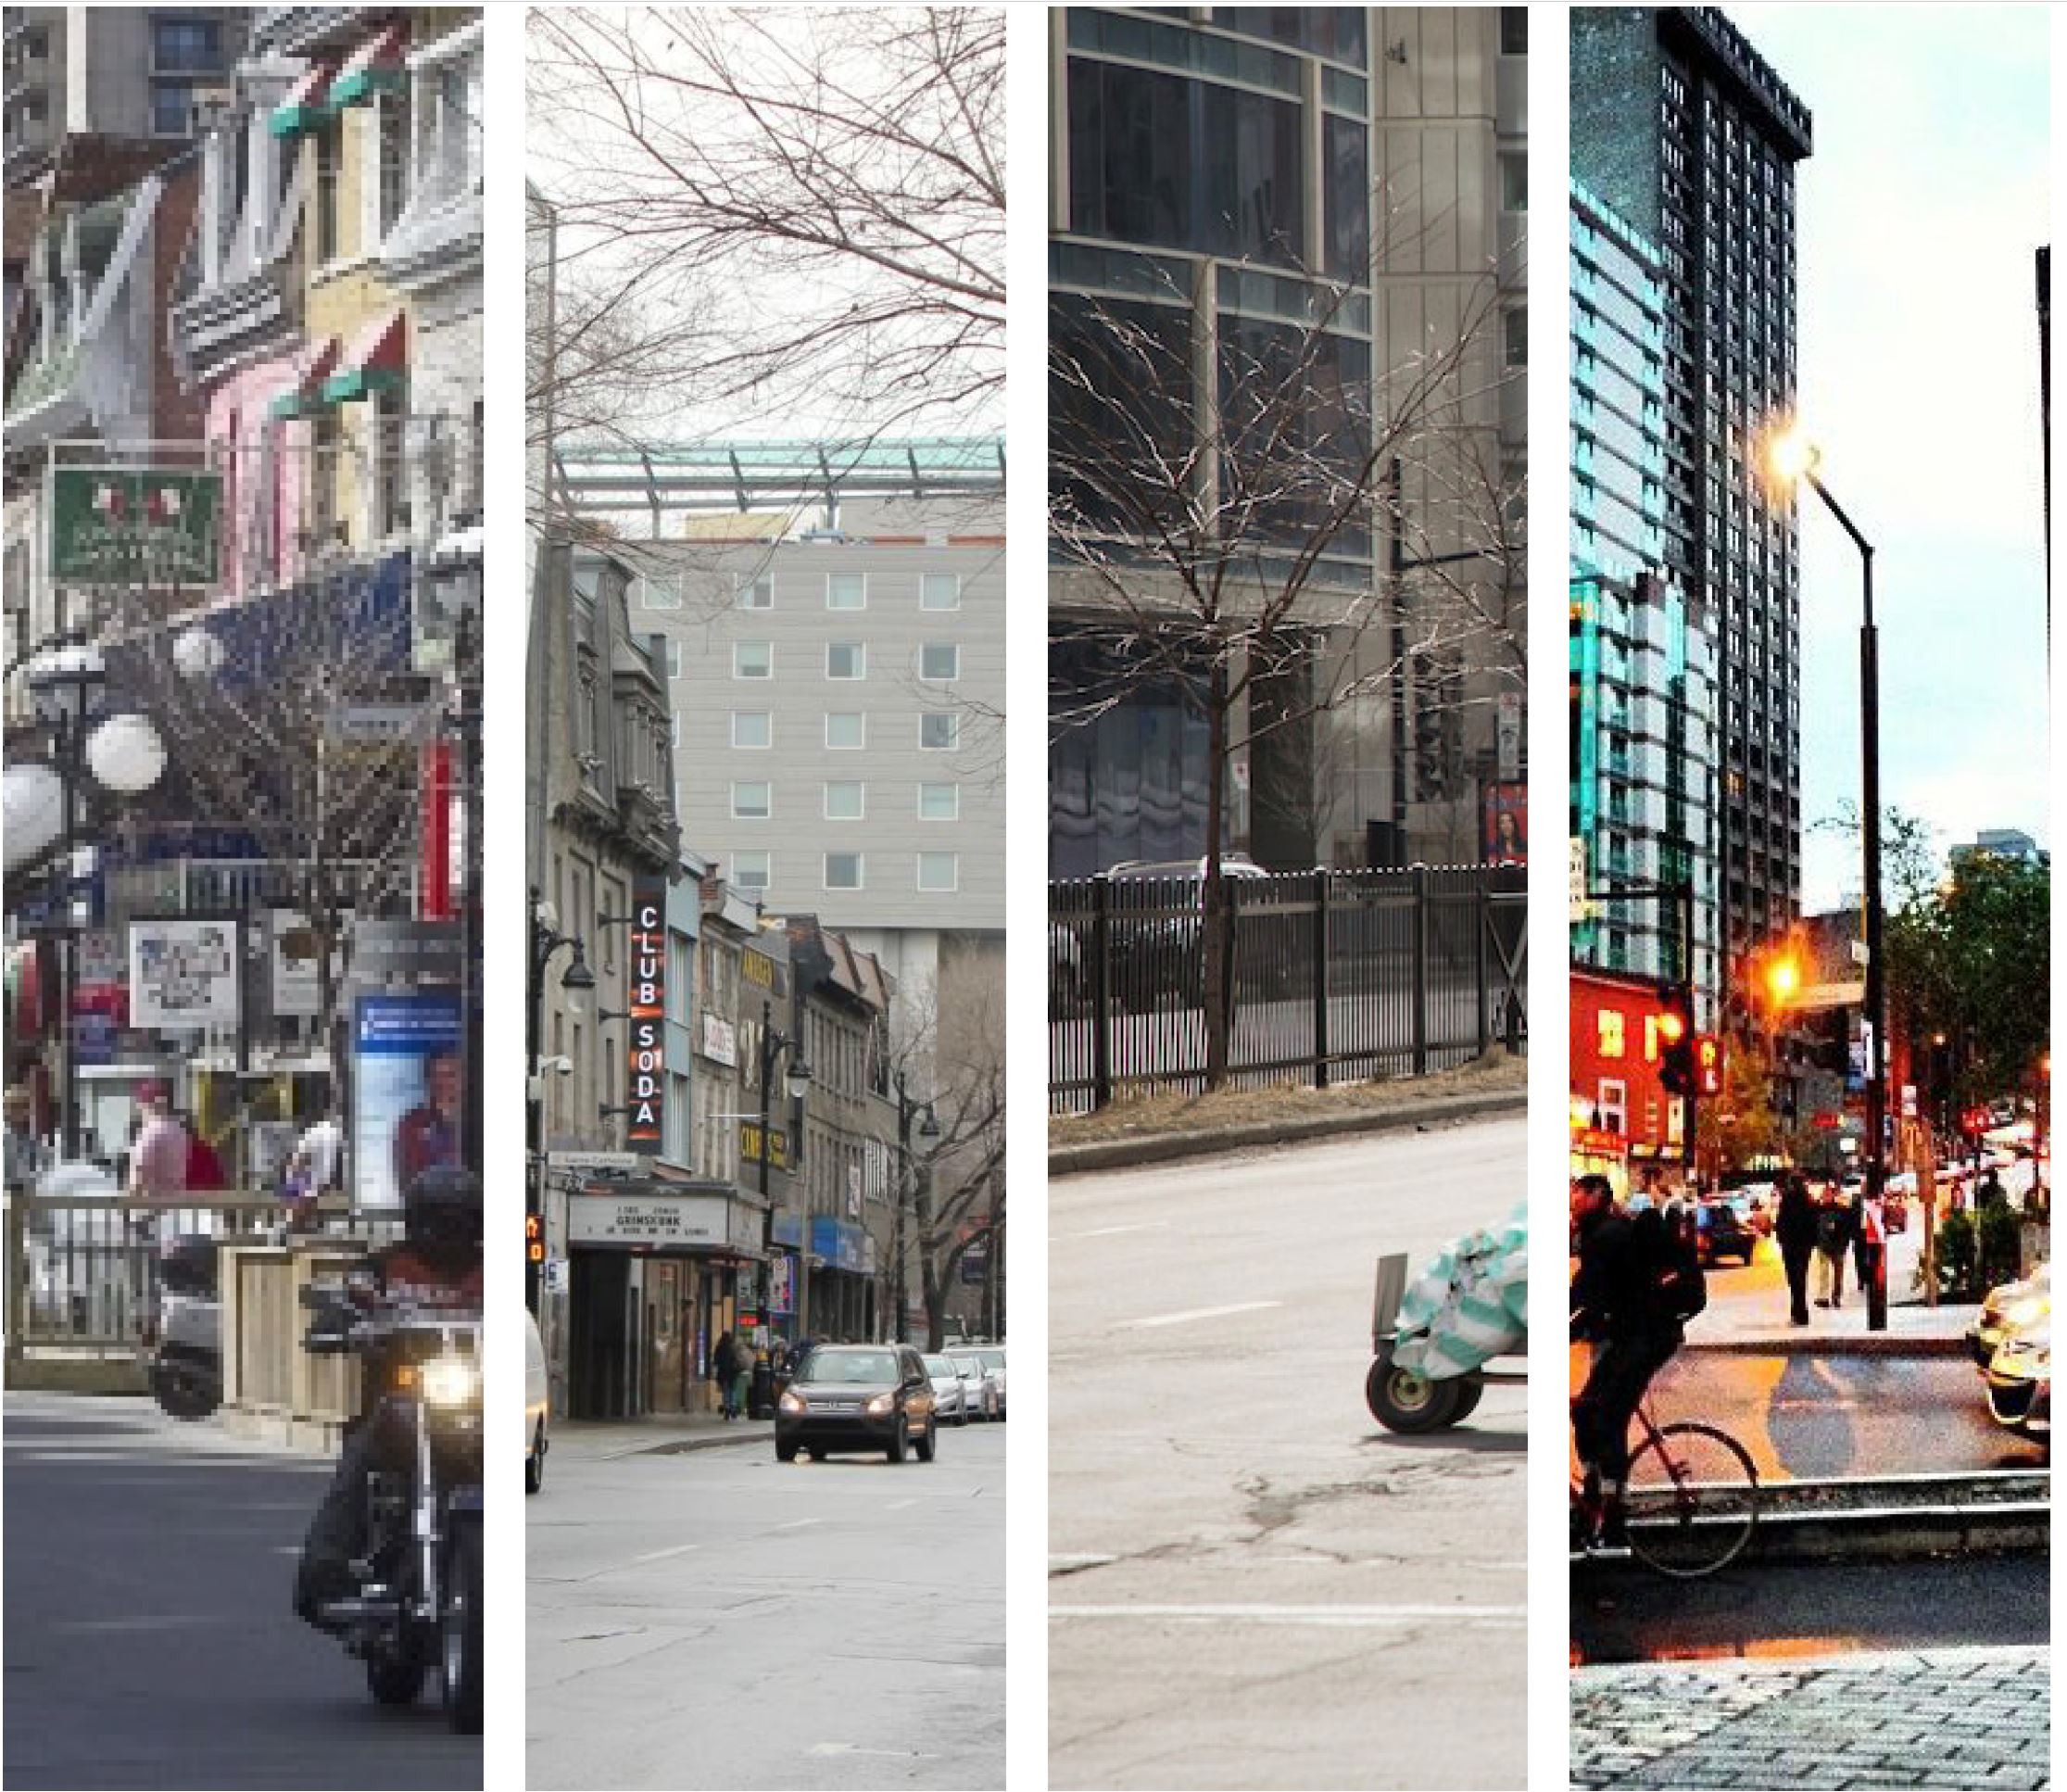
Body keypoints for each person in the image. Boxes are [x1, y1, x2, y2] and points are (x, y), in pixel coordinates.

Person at [295, 1167, 483, 1622]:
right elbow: (348, 1299)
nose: (450, 1230)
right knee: (358, 1463)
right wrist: (339, 1322)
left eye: (461, 1219)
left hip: (475, 1402)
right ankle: (326, 1575)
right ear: (416, 1220)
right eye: (440, 1219)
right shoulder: (382, 1266)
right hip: (400, 1401)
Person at [1569, 1174, 1698, 1549]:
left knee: (1607, 1416)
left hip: (1646, 1339)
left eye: (1578, 1192)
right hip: (1634, 1335)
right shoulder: (1602, 1233)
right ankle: (1594, 1494)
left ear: (1597, 1196)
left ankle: (1613, 1518)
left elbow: (1586, 1294)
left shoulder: (1608, 1235)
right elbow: (1592, 1296)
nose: (1573, 1199)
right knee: (1586, 1412)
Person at [392, 1050, 463, 1196]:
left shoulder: (476, 1121)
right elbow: (406, 1180)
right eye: (437, 1075)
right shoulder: (411, 1124)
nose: (443, 1082)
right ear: (428, 1080)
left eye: (450, 1075)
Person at [127, 1086, 189, 1199]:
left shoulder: (149, 1133)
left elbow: (139, 1174)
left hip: (152, 1205)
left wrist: (127, 1206)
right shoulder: (180, 1131)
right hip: (177, 1204)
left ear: (147, 1105)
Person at [1774, 1172, 1819, 1326]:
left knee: (1794, 1278)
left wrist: (1781, 1240)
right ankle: (1800, 1311)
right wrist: (1813, 1241)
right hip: (1804, 1245)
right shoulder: (1808, 1200)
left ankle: (1798, 1311)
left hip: (1791, 1245)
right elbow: (1814, 1222)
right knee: (1801, 1276)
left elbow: (1781, 1222)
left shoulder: (1787, 1200)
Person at [1814, 1185, 1854, 1309]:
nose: (1825, 1197)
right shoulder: (1818, 1209)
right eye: (1824, 1194)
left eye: (1827, 1194)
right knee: (1824, 1272)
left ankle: (1836, 1296)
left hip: (1837, 1246)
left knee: (1837, 1273)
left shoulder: (1841, 1209)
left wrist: (1844, 1244)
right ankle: (1824, 1297)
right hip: (1824, 1245)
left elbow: (1847, 1228)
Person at [712, 1330, 738, 1420]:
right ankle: (733, 1408)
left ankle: (727, 1409)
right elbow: (737, 1360)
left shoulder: (719, 1347)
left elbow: (716, 1361)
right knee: (733, 1390)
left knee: (726, 1391)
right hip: (733, 1373)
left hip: (723, 1373)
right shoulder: (733, 1347)